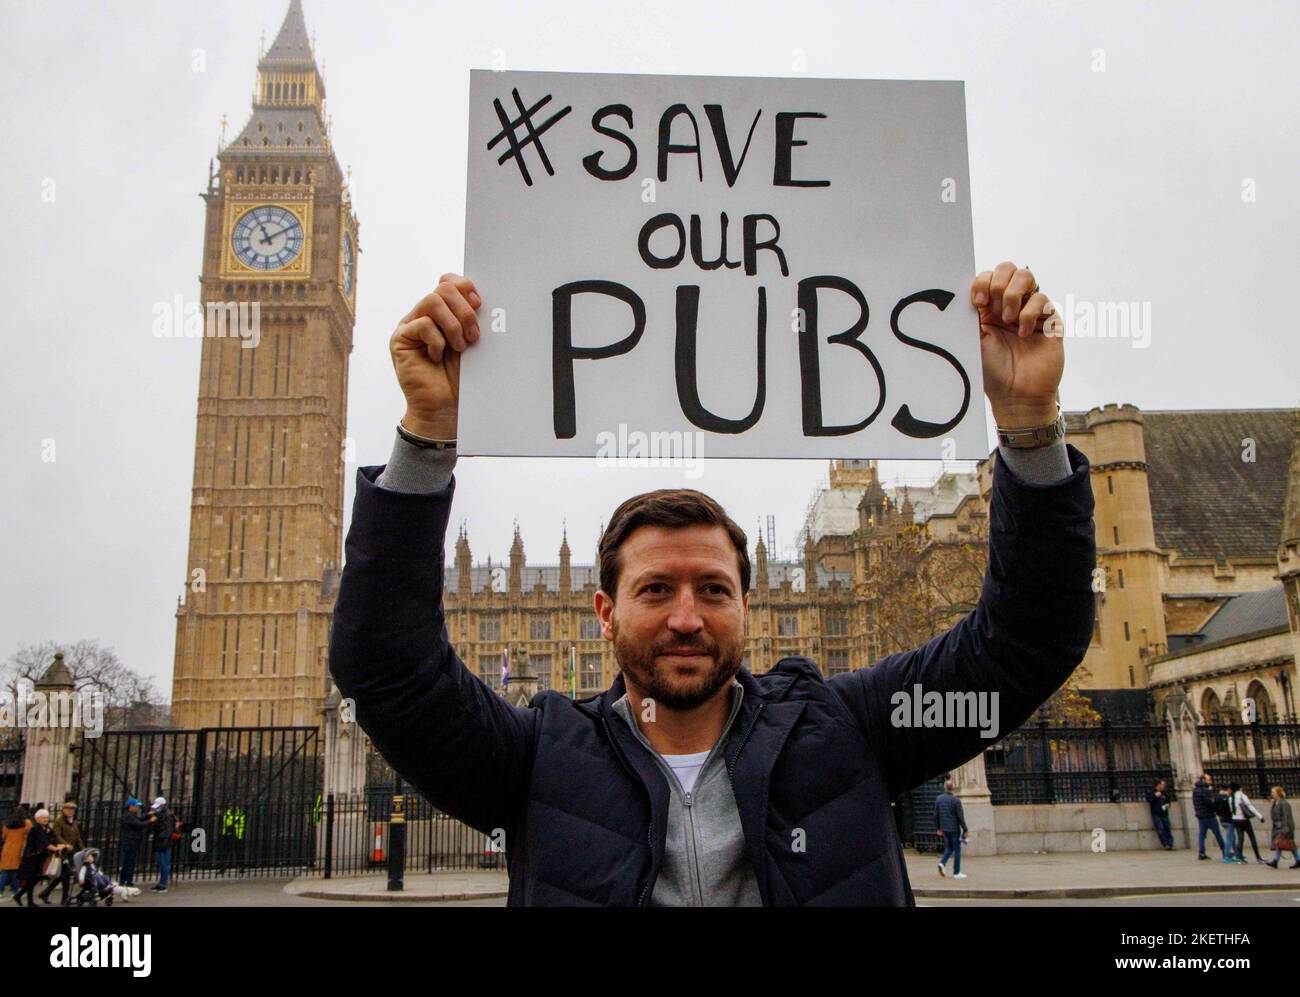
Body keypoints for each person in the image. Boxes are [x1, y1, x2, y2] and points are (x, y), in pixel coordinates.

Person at [329, 263, 1097, 906]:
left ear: (750, 606)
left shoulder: (846, 730)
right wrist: (426, 436)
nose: (687, 617)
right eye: (656, 589)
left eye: (714, 589)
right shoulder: (539, 760)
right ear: (603, 609)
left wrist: (1029, 424)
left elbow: (1025, 641)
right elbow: (388, 673)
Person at [39, 800, 84, 906]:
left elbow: (78, 837)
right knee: (66, 874)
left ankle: (45, 893)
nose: (71, 811)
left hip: (71, 851)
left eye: (72, 810)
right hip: (62, 851)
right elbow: (57, 835)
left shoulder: (74, 822)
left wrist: (83, 850)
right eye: (68, 809)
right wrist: (65, 845)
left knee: (63, 875)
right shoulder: (59, 821)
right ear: (64, 810)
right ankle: (64, 897)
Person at [13, 808, 57, 906]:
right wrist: (53, 847)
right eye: (43, 818)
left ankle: (19, 896)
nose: (46, 819)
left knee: (36, 879)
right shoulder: (35, 829)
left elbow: (53, 838)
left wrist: (59, 845)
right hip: (31, 857)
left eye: (47, 817)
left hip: (39, 858)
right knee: (31, 879)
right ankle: (29, 901)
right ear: (37, 819)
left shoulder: (47, 829)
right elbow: (43, 841)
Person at [934, 780, 969, 879]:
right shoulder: (956, 800)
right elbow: (960, 816)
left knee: (949, 847)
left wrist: (938, 828)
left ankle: (942, 863)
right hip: (954, 828)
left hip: (944, 828)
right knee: (957, 849)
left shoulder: (938, 799)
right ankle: (956, 872)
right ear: (952, 788)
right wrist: (965, 829)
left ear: (945, 787)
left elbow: (935, 815)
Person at [1229, 782, 1266, 864]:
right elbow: (1250, 807)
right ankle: (1258, 857)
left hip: (1235, 819)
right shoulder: (1242, 796)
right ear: (1239, 788)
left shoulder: (1230, 798)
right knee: (1252, 837)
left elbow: (1231, 810)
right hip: (1244, 819)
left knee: (1240, 838)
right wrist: (1260, 816)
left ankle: (1239, 858)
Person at [1192, 773, 1226, 860]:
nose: (1210, 781)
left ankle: (1201, 853)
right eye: (1208, 779)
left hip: (1200, 816)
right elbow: (1209, 803)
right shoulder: (1205, 790)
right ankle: (1225, 851)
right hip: (1209, 815)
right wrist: (1215, 807)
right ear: (1203, 780)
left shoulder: (1195, 790)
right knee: (1217, 834)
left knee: (1202, 835)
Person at [1, 805, 32, 896]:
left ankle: (0, 891)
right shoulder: (27, 823)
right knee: (15, 871)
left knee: (5, 871)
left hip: (7, 848)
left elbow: (4, 837)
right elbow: (29, 834)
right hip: (19, 848)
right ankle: (15, 890)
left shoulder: (7, 824)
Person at [1265, 786, 1298, 869]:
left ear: (1278, 793)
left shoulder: (1284, 803)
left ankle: (1275, 861)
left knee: (1281, 843)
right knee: (1287, 844)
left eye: (1273, 792)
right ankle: (1298, 860)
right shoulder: (1275, 803)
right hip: (1278, 827)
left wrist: (1286, 828)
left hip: (1284, 827)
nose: (1272, 794)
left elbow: (1287, 817)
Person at [148, 797, 176, 892]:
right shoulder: (162, 814)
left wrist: (163, 840)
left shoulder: (167, 815)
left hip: (164, 842)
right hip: (162, 841)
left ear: (162, 805)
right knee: (162, 863)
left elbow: (167, 830)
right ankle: (161, 883)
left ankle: (163, 884)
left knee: (164, 864)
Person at [119, 798, 149, 887]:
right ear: (131, 807)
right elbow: (139, 824)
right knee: (129, 862)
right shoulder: (129, 816)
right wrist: (150, 821)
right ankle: (128, 881)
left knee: (127, 861)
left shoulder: (130, 815)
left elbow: (139, 820)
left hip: (130, 841)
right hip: (131, 841)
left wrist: (147, 816)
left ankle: (123, 880)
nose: (137, 808)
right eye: (136, 806)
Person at [1146, 779, 1174, 849]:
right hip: (1156, 814)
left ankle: (1170, 844)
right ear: (1158, 785)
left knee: (1168, 828)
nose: (1164, 786)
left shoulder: (1164, 793)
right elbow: (1149, 800)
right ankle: (1165, 844)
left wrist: (1166, 806)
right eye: (1162, 785)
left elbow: (1168, 802)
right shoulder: (1152, 792)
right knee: (1160, 829)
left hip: (1164, 813)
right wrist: (1155, 796)